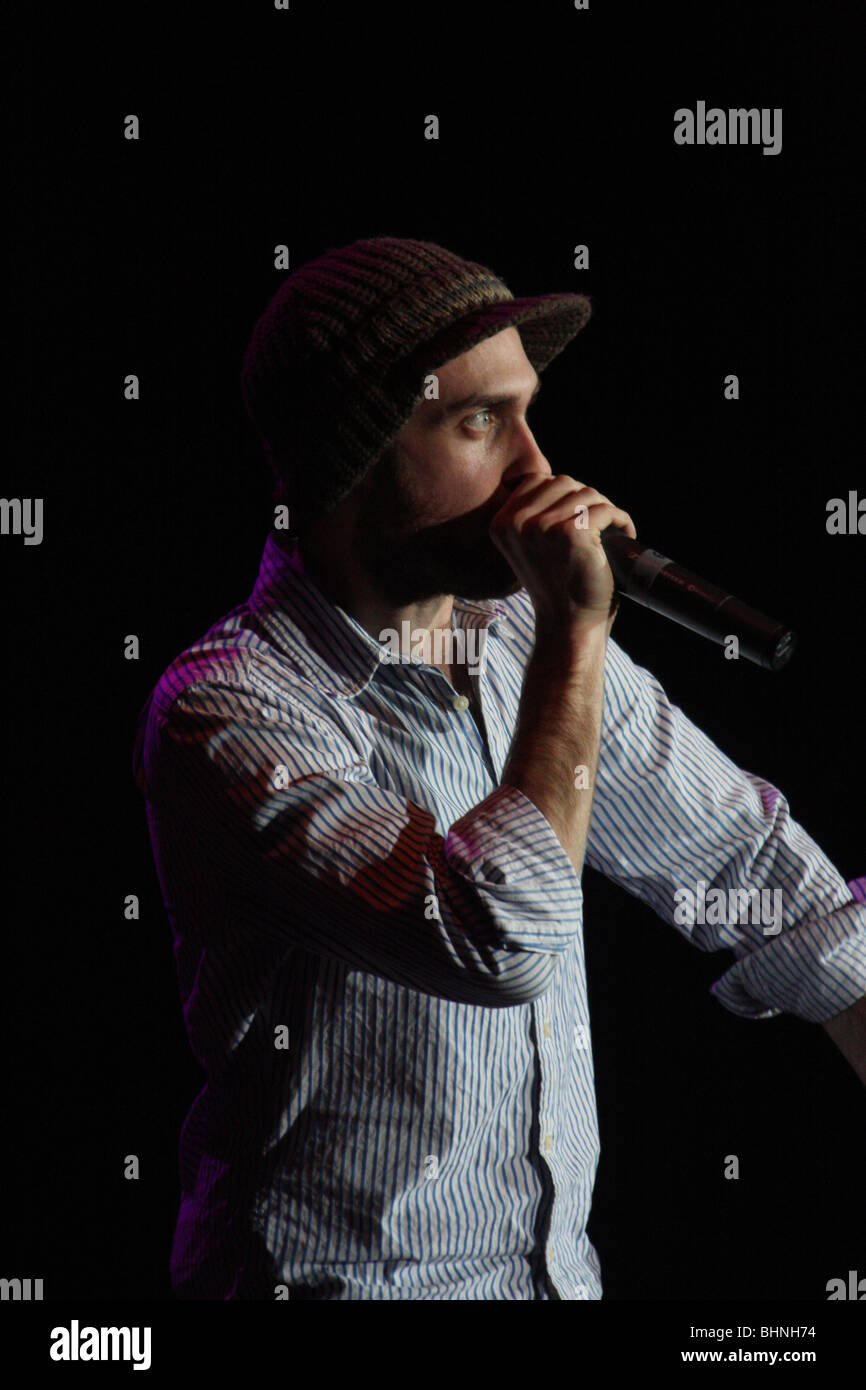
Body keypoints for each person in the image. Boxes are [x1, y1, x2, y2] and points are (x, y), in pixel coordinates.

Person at [132, 236, 866, 1301]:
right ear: (352, 452)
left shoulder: (515, 638)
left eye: (527, 411)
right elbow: (495, 937)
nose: (537, 468)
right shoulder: (229, 708)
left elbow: (761, 879)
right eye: (478, 421)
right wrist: (576, 634)